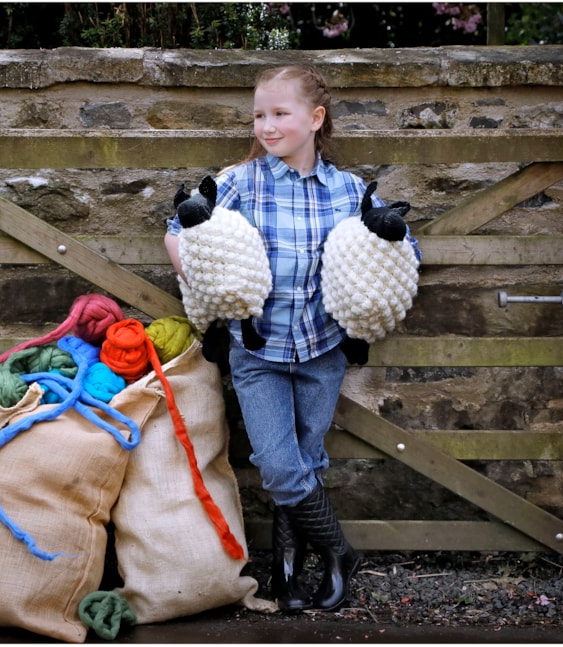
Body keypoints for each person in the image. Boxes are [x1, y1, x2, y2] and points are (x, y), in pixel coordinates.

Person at [164, 64, 418, 613]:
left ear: (315, 118)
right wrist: (202, 277)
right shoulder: (239, 182)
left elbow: (400, 249)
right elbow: (180, 228)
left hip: (322, 349)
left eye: (280, 114)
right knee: (278, 464)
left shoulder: (350, 191)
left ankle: (287, 577)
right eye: (260, 115)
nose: (267, 126)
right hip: (257, 350)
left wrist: (390, 237)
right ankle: (338, 552)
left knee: (306, 459)